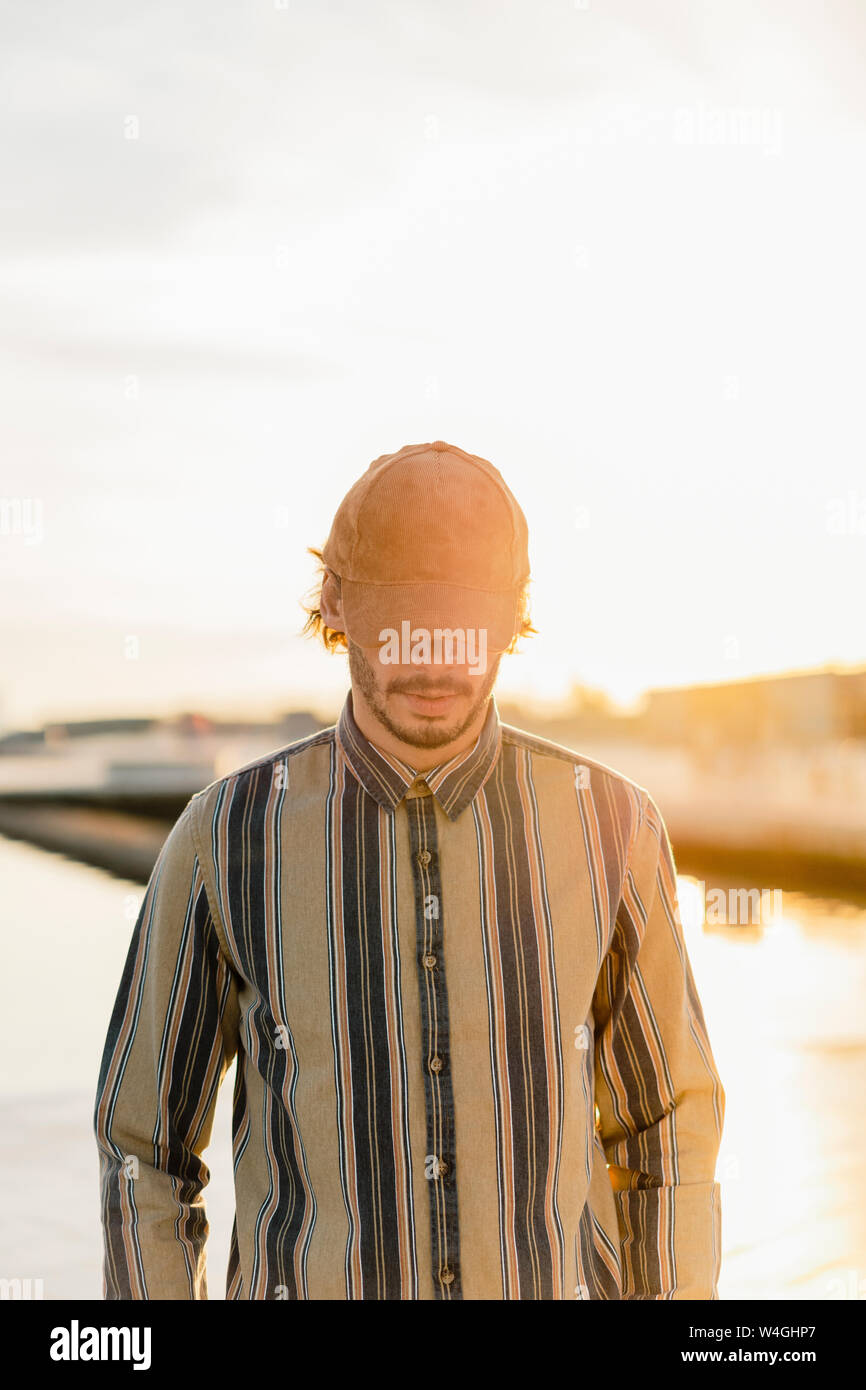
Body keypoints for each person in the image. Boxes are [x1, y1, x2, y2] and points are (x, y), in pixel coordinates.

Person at [94, 439, 725, 1300]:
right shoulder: (221, 837)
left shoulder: (614, 827)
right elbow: (145, 1147)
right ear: (337, 605)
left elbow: (665, 1127)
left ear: (511, 615)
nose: (434, 662)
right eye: (405, 621)